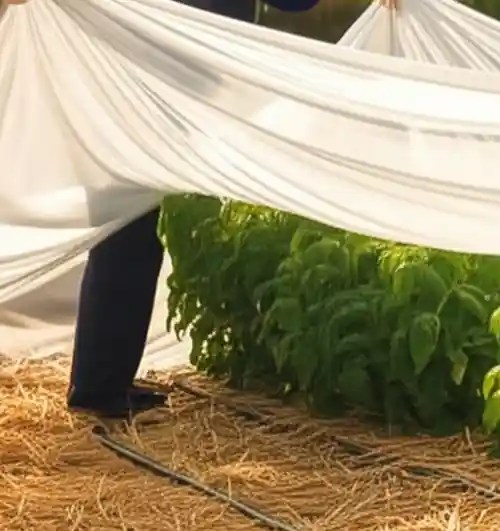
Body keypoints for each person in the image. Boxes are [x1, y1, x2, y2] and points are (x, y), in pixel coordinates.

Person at [0, 0, 321, 418]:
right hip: (136, 86)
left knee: (135, 234)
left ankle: (104, 380)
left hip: (164, 88)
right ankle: (98, 390)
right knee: (127, 233)